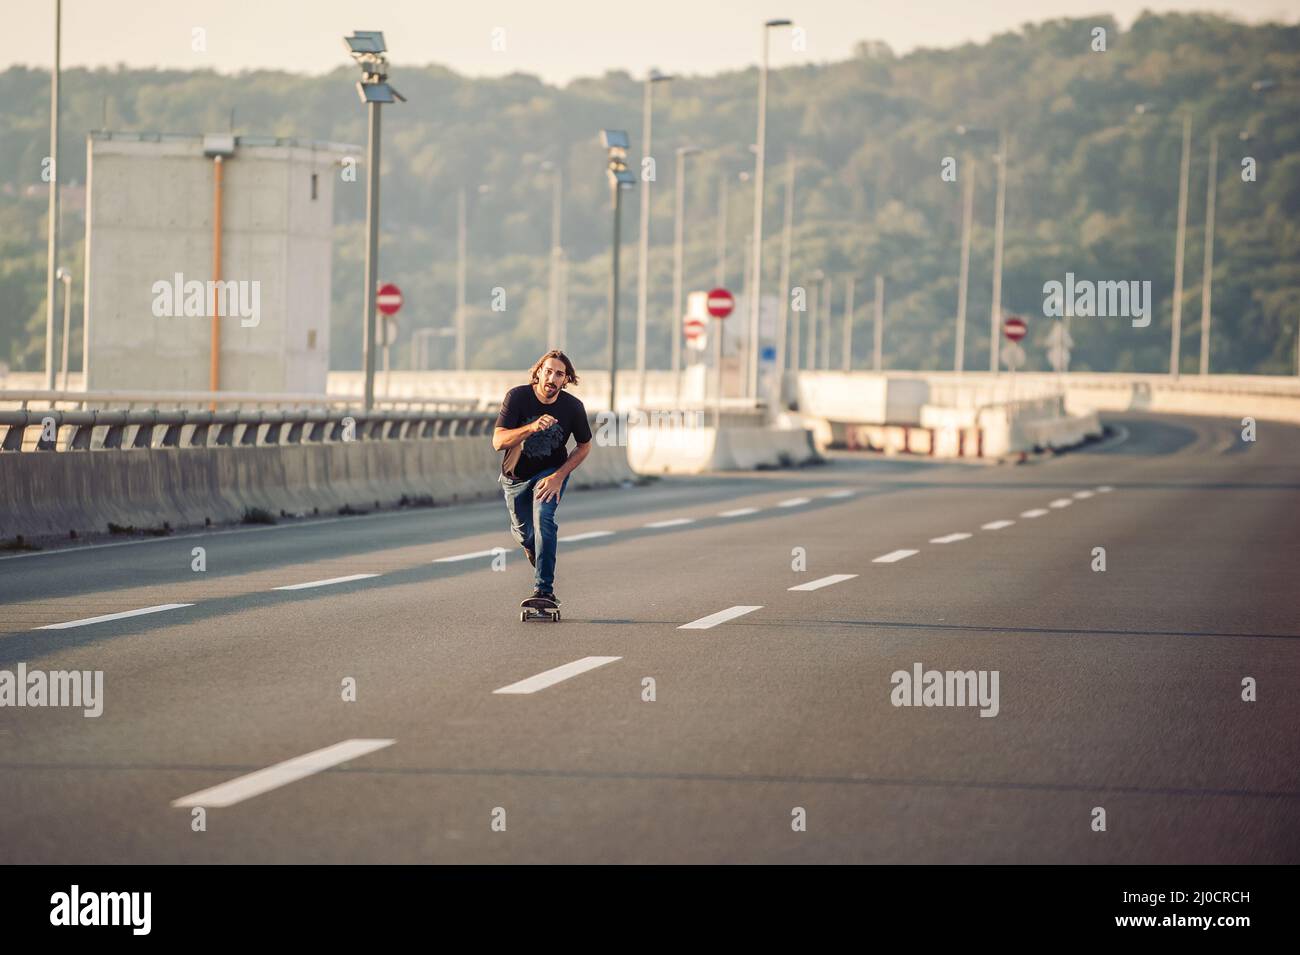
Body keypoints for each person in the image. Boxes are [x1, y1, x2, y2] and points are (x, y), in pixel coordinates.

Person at [492, 350, 592, 605]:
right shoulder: (517, 397)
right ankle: (532, 547)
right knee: (526, 534)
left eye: (559, 374)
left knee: (544, 519)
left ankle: (543, 590)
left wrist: (559, 476)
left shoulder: (572, 407)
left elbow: (584, 445)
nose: (552, 377)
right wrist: (531, 427)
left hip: (550, 472)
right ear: (538, 373)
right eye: (548, 371)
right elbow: (498, 441)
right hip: (515, 476)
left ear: (566, 380)